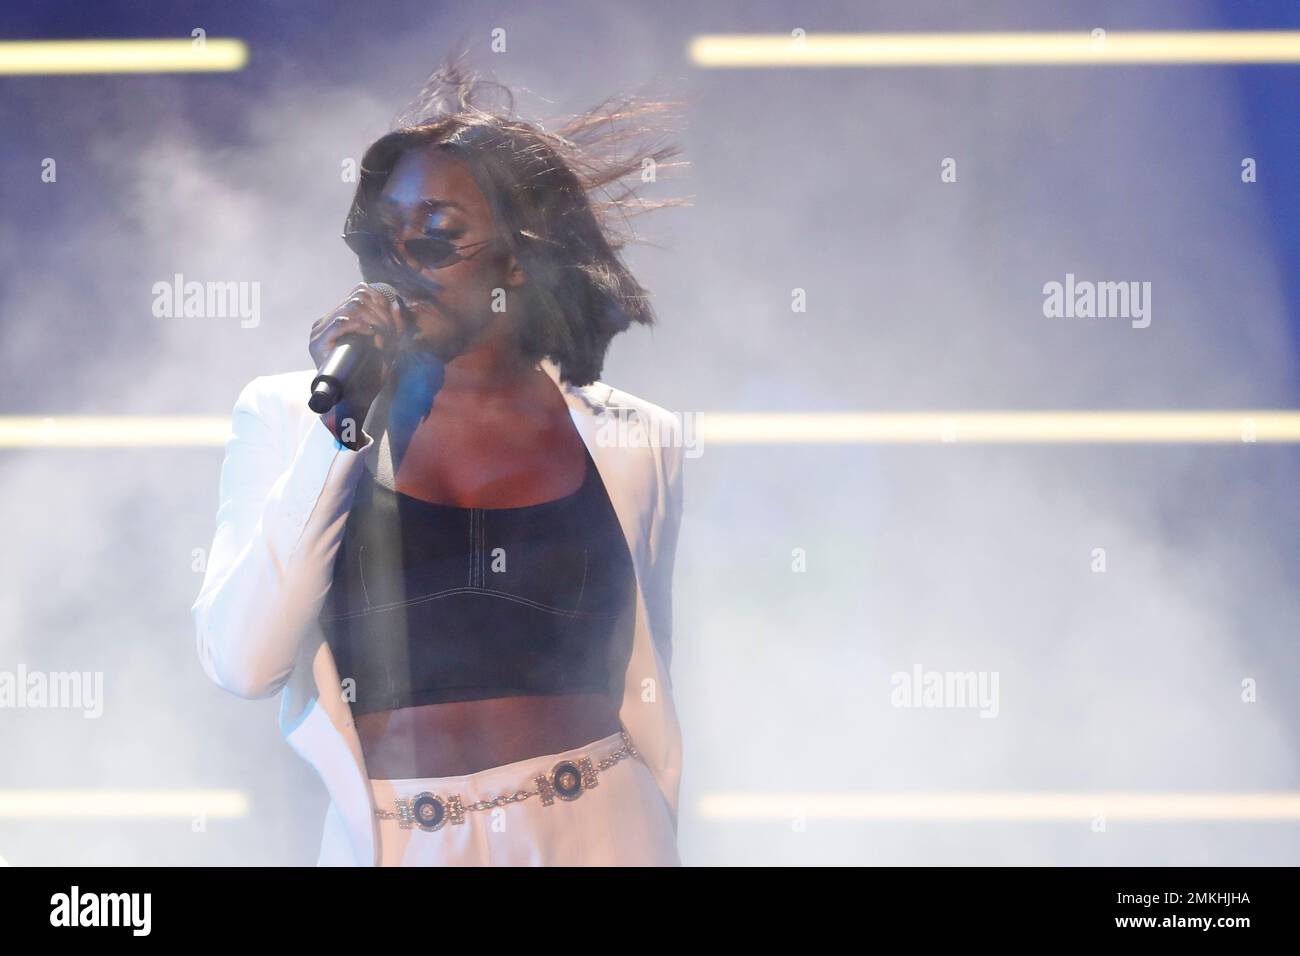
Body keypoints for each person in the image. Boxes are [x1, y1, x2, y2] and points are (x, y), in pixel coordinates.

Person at [190, 61, 689, 866]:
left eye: (435, 228)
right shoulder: (291, 415)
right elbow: (244, 661)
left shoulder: (637, 437)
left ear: (518, 260)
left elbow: (648, 676)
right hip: (399, 840)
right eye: (381, 233)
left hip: (601, 824)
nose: (399, 256)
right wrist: (341, 427)